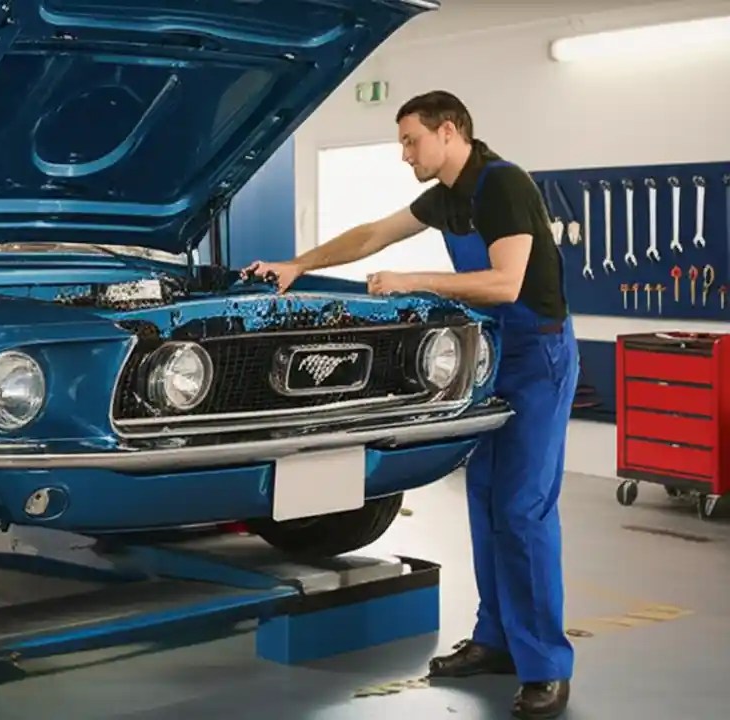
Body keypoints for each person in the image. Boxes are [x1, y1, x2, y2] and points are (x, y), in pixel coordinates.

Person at [244, 90, 575, 720]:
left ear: (448, 132)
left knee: (524, 509)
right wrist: (297, 262)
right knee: (484, 500)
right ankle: (495, 639)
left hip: (540, 354)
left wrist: (413, 279)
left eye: (410, 140)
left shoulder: (503, 185)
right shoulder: (447, 195)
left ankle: (547, 667)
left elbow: (506, 283)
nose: (404, 154)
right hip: (493, 352)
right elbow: (374, 233)